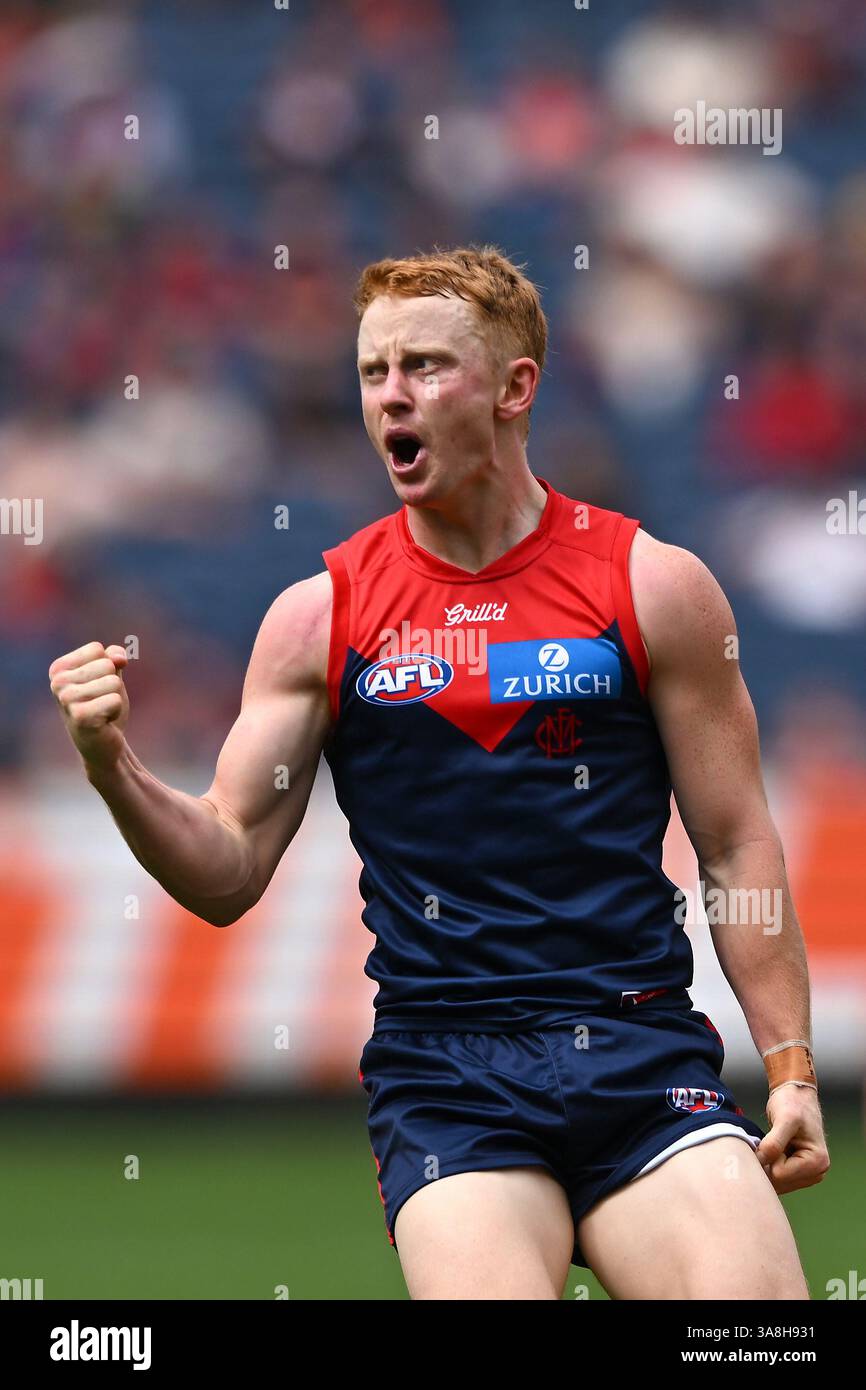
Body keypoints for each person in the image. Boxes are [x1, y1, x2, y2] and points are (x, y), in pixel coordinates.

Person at [49, 245, 828, 1301]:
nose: (389, 397)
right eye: (373, 372)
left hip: (641, 1060)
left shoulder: (652, 586)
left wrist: (787, 1067)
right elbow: (226, 870)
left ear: (514, 388)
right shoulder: (319, 618)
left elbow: (735, 842)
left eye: (423, 367)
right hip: (449, 1077)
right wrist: (113, 768)